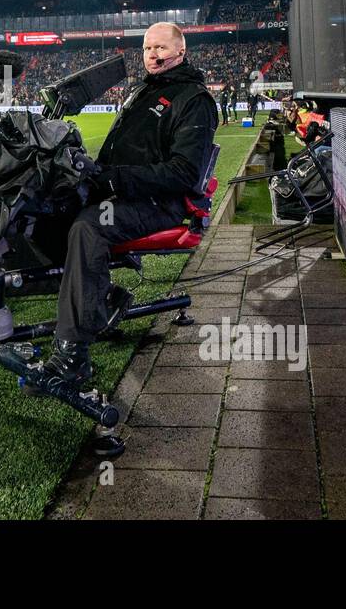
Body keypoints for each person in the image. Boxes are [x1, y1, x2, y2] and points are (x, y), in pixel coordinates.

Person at [34, 22, 218, 386]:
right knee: (46, 214)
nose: (153, 54)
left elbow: (184, 173)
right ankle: (104, 296)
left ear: (181, 51)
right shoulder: (144, 91)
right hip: (121, 193)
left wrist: (113, 179)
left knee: (90, 226)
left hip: (159, 204)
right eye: (148, 48)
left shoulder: (194, 100)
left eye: (161, 48)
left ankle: (73, 355)